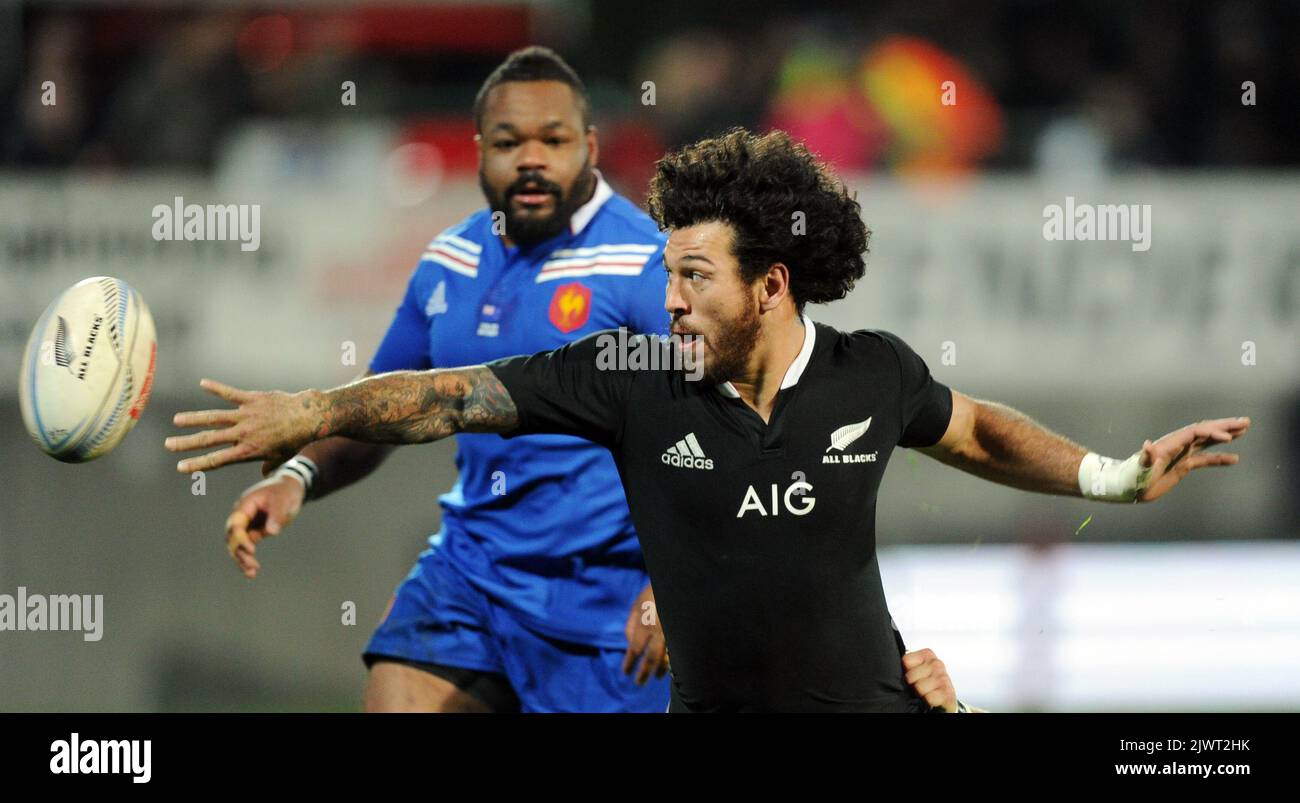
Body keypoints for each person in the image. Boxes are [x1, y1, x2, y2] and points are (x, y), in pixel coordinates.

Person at [166, 127, 1248, 712]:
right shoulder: (633, 377)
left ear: (770, 283)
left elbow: (977, 431)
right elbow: (449, 396)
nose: (668, 297)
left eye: (692, 274)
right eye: (663, 270)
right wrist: (311, 413)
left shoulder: (872, 376)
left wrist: (1111, 477)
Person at [214, 46, 676, 713]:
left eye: (554, 139)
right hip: (474, 577)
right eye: (509, 141)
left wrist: (674, 585)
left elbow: (719, 428)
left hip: (607, 598)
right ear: (480, 149)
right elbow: (381, 407)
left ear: (592, 146)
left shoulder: (643, 264)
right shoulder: (449, 261)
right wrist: (297, 476)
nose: (532, 159)